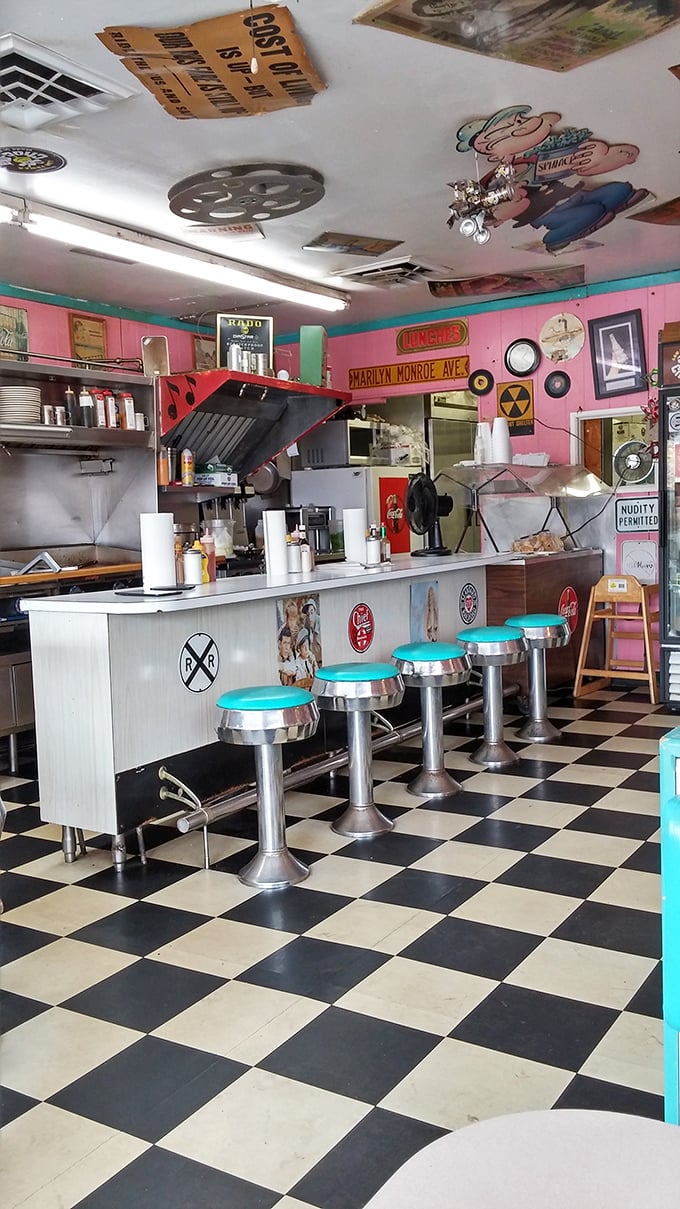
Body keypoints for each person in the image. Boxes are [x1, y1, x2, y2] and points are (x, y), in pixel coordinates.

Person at [300, 598, 322, 665]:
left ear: (315, 612)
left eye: (312, 612)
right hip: (313, 664)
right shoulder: (306, 625)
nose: (310, 617)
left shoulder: (321, 624)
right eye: (307, 614)